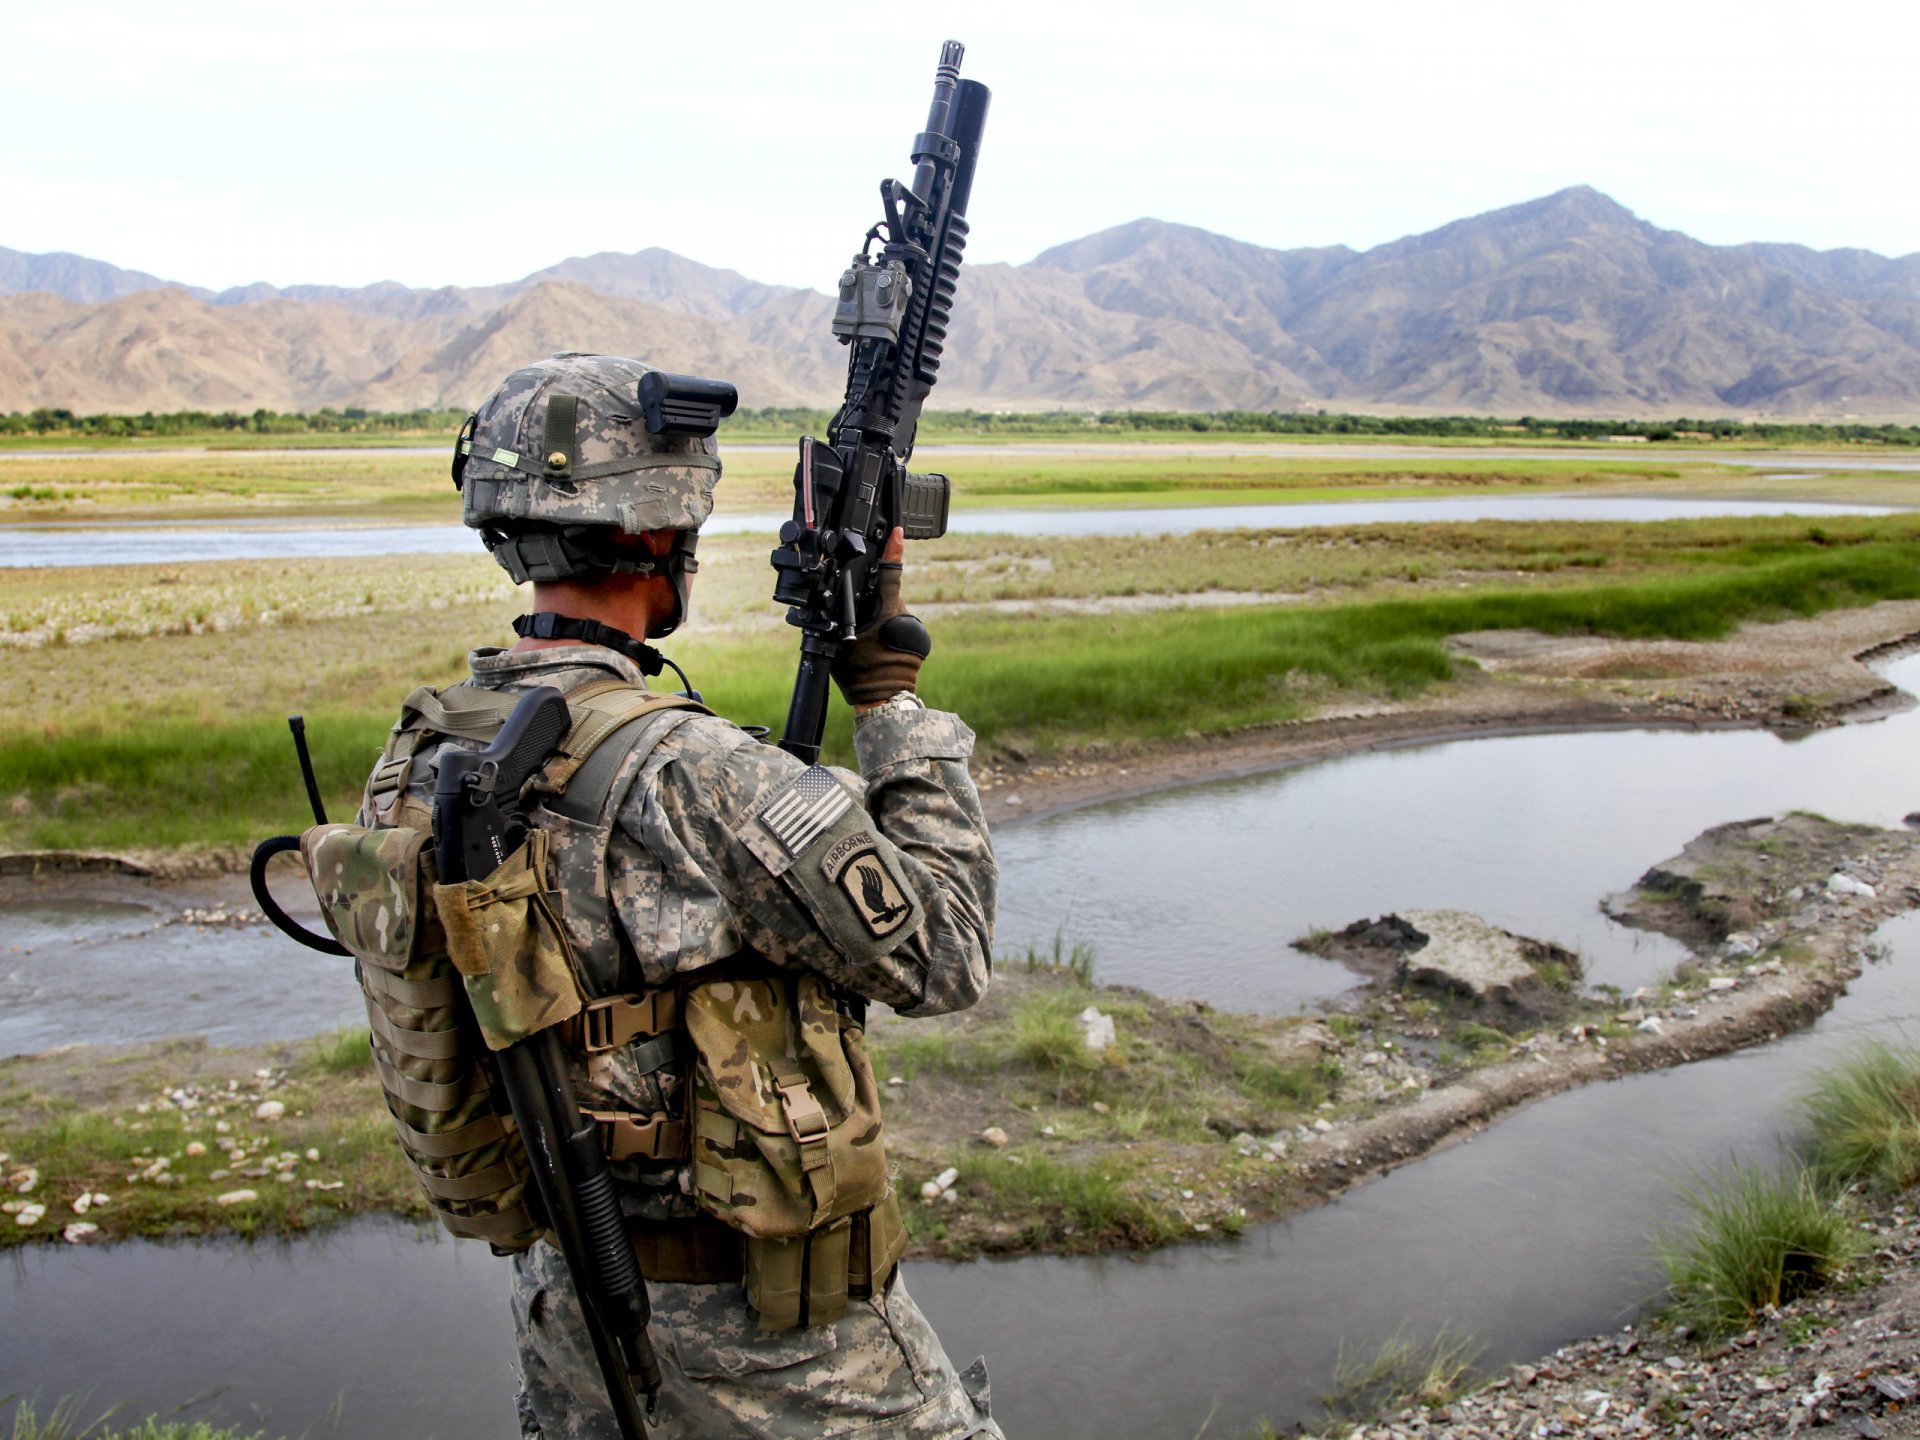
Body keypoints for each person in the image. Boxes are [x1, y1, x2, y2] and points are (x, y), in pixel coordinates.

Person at [361, 352, 1002, 1439]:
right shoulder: (695, 774)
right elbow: (943, 954)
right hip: (772, 1339)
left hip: (573, 1301)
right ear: (662, 535)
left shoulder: (423, 755)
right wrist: (889, 695)